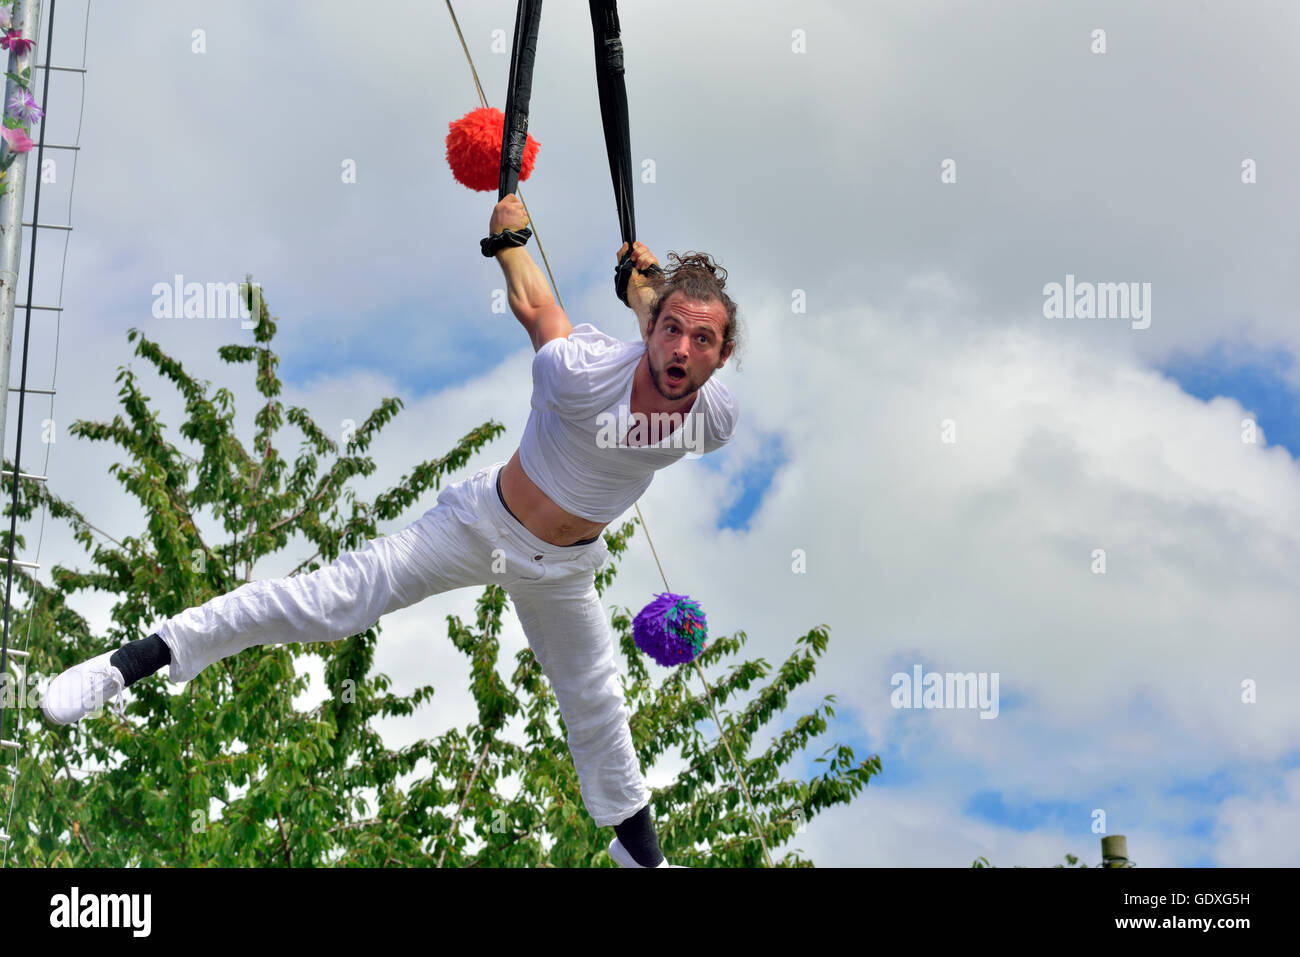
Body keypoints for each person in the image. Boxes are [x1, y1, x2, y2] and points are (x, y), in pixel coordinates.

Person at [41, 193, 741, 868]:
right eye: (671, 328)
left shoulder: (714, 419)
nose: (682, 347)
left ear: (720, 356)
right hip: (480, 525)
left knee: (595, 696)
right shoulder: (581, 374)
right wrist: (508, 243)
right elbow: (538, 309)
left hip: (563, 569)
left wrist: (649, 291)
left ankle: (642, 859)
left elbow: (673, 335)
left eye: (701, 338)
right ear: (652, 331)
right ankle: (131, 661)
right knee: (335, 601)